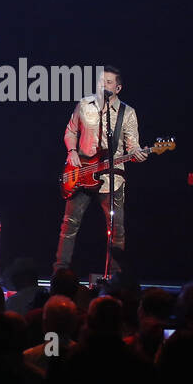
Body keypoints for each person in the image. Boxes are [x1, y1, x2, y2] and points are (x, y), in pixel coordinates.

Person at [53, 66, 146, 276]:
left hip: (112, 177)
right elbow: (70, 131)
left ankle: (114, 276)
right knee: (69, 226)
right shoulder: (85, 105)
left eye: (109, 82)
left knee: (117, 230)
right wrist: (72, 151)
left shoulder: (127, 113)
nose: (103, 85)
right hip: (81, 174)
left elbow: (133, 146)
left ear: (118, 88)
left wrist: (139, 153)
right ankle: (59, 274)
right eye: (100, 81)